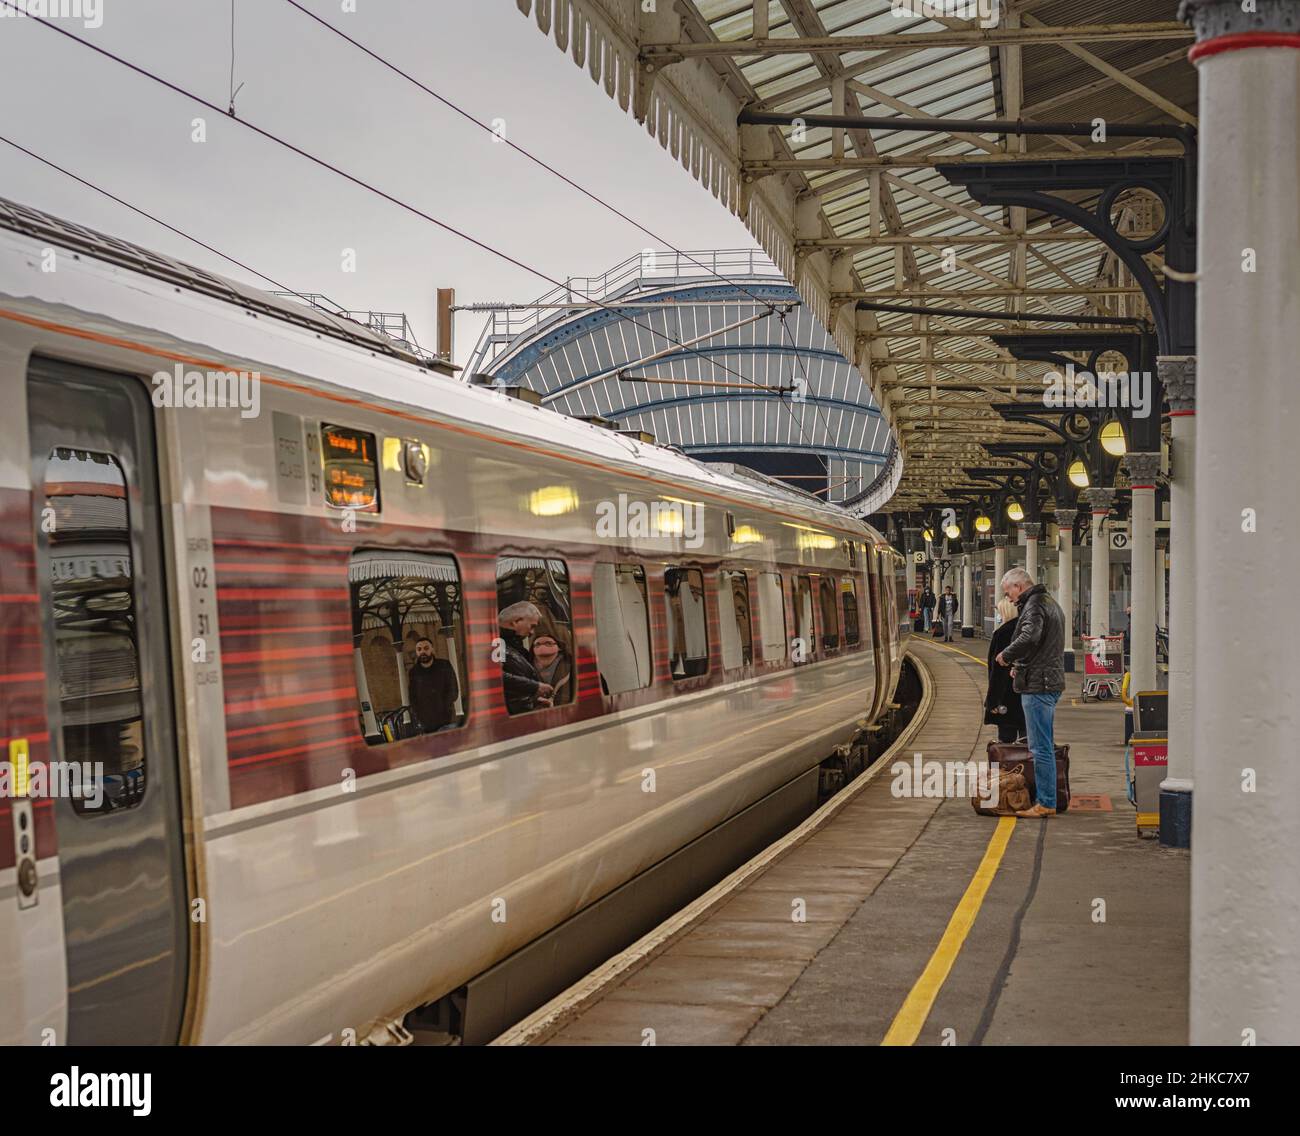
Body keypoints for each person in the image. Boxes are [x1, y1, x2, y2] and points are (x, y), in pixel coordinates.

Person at [995, 567, 1066, 818]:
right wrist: (1020, 666)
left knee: (1040, 747)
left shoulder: (1034, 605)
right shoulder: (1049, 602)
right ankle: (1046, 799)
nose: (1009, 599)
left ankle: (1046, 803)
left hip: (1039, 685)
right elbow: (1042, 646)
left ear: (1019, 586)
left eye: (1008, 592)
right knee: (1042, 744)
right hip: (1046, 680)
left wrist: (1007, 655)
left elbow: (1030, 637)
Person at [498, 601, 555, 714]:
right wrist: (535, 687)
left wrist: (533, 701)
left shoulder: (514, 648)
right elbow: (497, 676)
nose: (532, 632)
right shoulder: (496, 644)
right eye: (532, 626)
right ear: (516, 621)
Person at [984, 598, 1026, 743]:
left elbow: (997, 671)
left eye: (999, 611)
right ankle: (1026, 765)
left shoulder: (1002, 633)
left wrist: (992, 701)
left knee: (1006, 740)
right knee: (1028, 739)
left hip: (1006, 695)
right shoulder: (1027, 631)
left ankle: (1008, 765)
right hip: (1028, 692)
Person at [408, 636, 460, 733]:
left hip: (447, 720)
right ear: (416, 652)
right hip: (426, 725)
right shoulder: (413, 672)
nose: (422, 651)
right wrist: (420, 716)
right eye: (419, 649)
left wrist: (444, 706)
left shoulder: (444, 665)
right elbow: (412, 697)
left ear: (432, 649)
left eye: (426, 648)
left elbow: (453, 690)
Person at [530, 630, 572, 707]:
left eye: (548, 643)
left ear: (559, 647)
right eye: (537, 644)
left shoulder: (572, 666)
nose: (542, 648)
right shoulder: (526, 667)